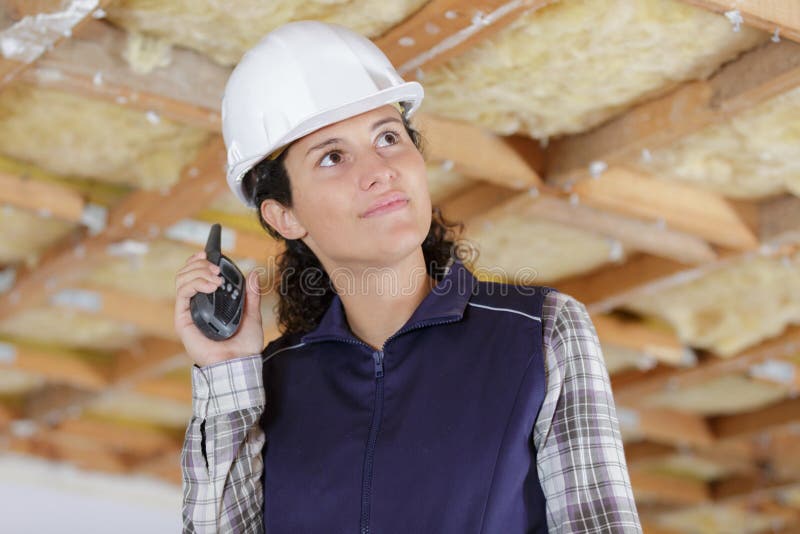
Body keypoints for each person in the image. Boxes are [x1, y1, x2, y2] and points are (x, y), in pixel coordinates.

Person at [176, 20, 642, 534]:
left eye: (388, 137)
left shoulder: (541, 332)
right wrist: (226, 373)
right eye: (333, 156)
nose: (380, 169)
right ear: (286, 217)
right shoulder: (270, 381)